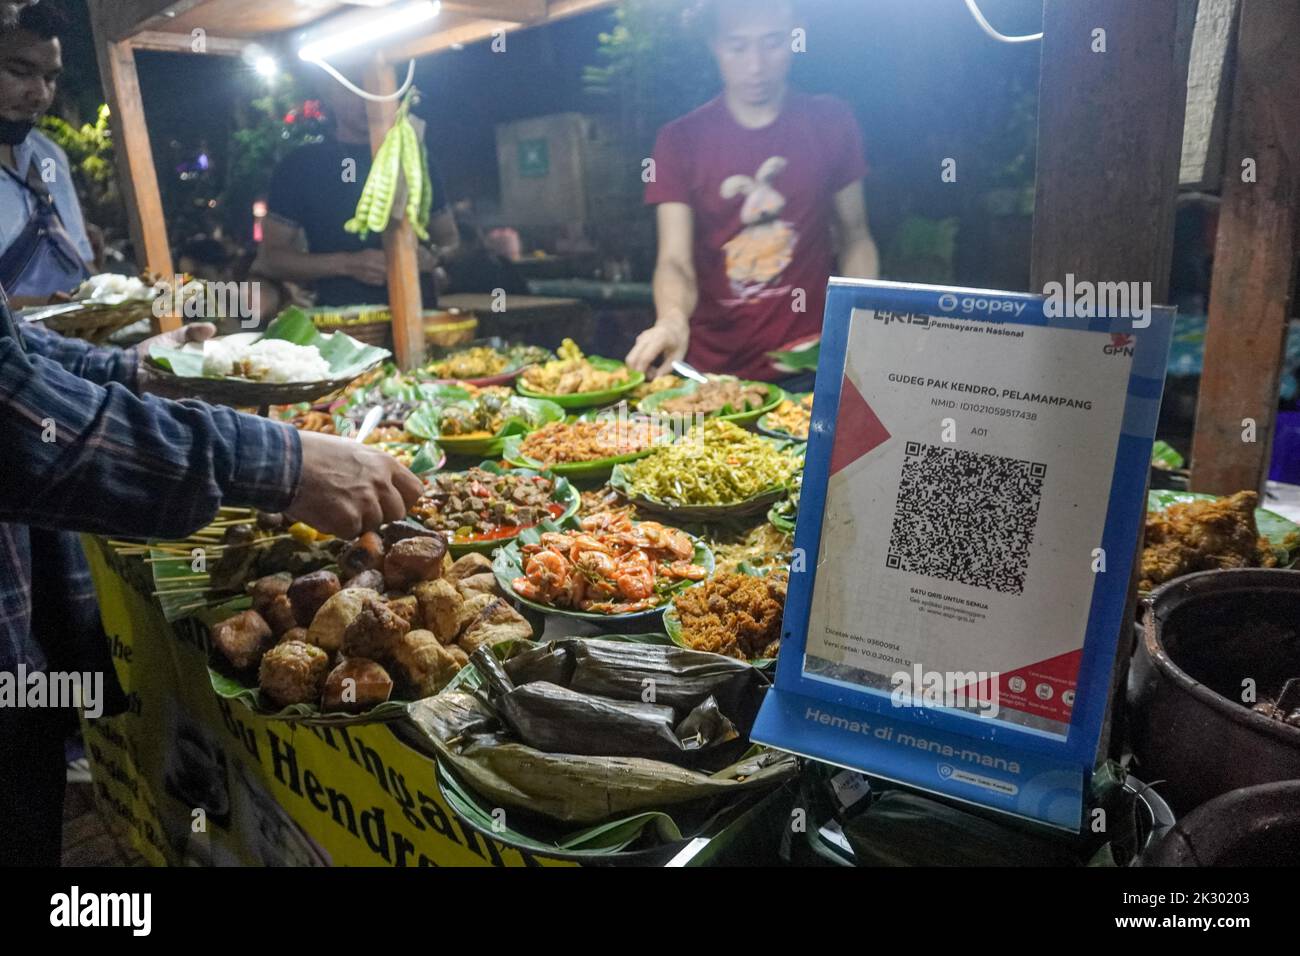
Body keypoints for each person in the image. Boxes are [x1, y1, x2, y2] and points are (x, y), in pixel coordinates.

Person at [0, 4, 425, 868]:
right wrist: (281, 462)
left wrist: (147, 372)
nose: (37, 88)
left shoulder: (42, 164)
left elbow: (20, 352)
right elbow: (18, 424)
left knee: (30, 795)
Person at [626, 0, 879, 387]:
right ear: (714, 44)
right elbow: (675, 259)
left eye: (773, 43)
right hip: (711, 374)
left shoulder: (832, 122)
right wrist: (672, 320)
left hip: (810, 367)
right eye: (737, 47)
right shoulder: (680, 140)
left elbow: (855, 235)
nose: (756, 65)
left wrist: (859, 323)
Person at [258, 69, 459, 308]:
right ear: (328, 94)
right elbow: (271, 259)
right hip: (343, 328)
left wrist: (433, 258)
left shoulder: (414, 158)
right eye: (352, 88)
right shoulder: (301, 166)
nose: (367, 98)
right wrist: (347, 264)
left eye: (376, 87)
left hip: (419, 318)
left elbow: (450, 239)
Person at [0, 2, 92, 306]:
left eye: (50, 78)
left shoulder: (50, 156)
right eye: (19, 71)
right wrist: (48, 309)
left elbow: (84, 265)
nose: (39, 95)